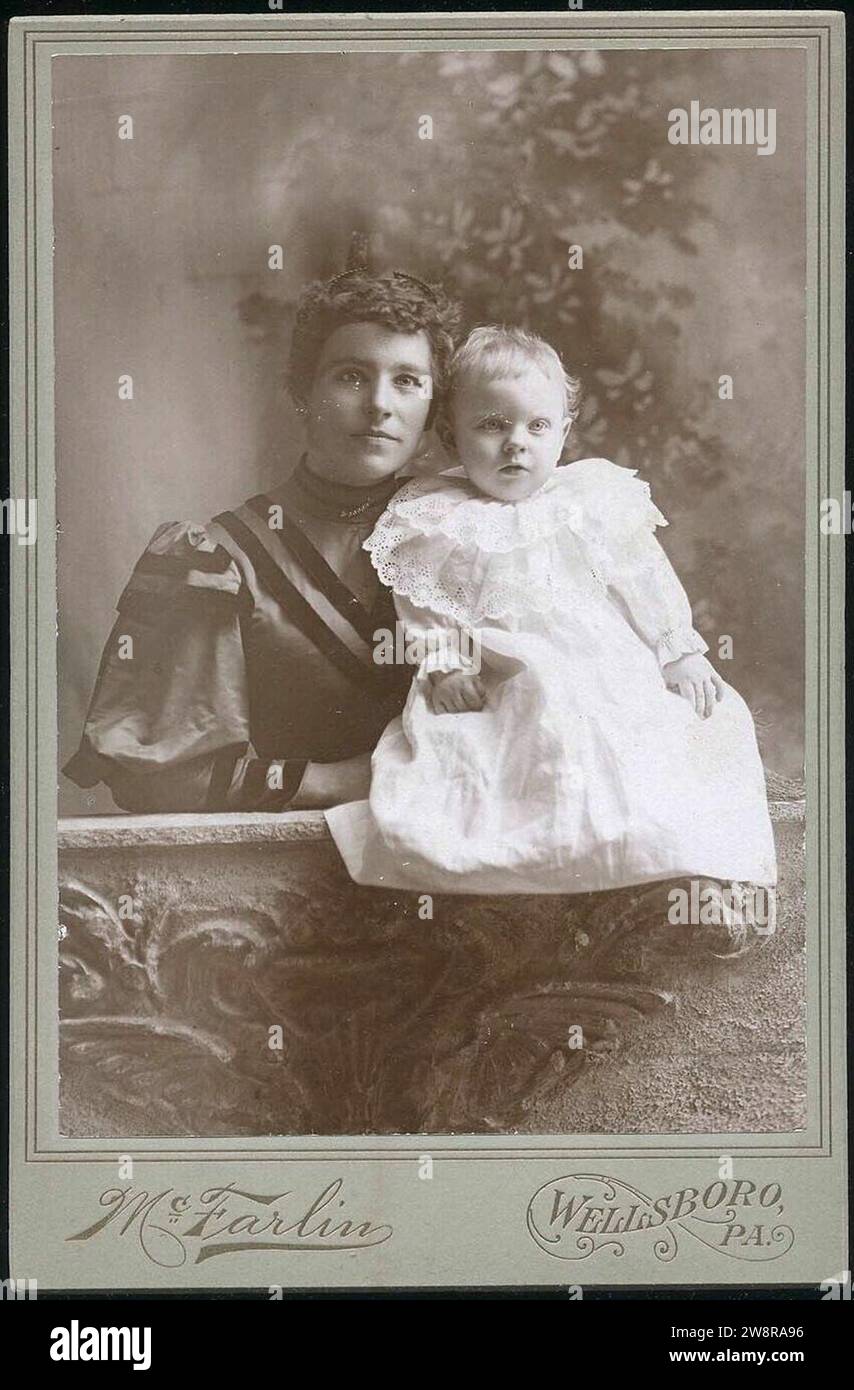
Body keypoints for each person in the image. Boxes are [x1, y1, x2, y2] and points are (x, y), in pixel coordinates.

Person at [326, 326, 778, 894]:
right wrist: (445, 665)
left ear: (563, 432)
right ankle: (540, 848)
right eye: (492, 425)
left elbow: (645, 579)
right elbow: (422, 603)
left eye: (536, 426)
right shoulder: (435, 516)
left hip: (601, 660)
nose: (516, 443)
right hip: (499, 668)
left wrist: (677, 650)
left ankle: (638, 842)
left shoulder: (588, 500)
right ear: (450, 435)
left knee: (679, 728)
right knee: (506, 737)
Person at [63, 268, 463, 812]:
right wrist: (349, 781)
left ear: (433, 407)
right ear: (303, 393)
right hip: (296, 852)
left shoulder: (470, 537)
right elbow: (156, 778)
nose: (379, 404)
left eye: (408, 381)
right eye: (350, 376)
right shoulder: (222, 557)